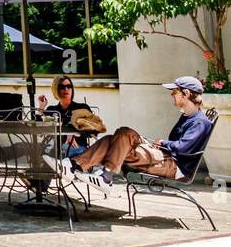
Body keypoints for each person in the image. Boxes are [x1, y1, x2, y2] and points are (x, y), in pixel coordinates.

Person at [65, 75, 213, 188]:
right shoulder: (188, 116)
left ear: (186, 93)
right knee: (121, 134)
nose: (172, 94)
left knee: (117, 139)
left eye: (175, 91)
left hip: (173, 166)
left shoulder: (199, 121)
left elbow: (183, 148)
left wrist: (163, 143)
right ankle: (78, 167)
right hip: (163, 157)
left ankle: (100, 173)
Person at [39, 75, 96, 158]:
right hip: (55, 147)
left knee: (61, 150)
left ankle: (52, 165)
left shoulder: (82, 108)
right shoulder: (52, 109)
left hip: (76, 147)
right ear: (56, 90)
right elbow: (38, 129)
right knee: (23, 147)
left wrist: (75, 133)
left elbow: (93, 130)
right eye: (62, 87)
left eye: (69, 86)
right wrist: (41, 108)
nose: (66, 89)